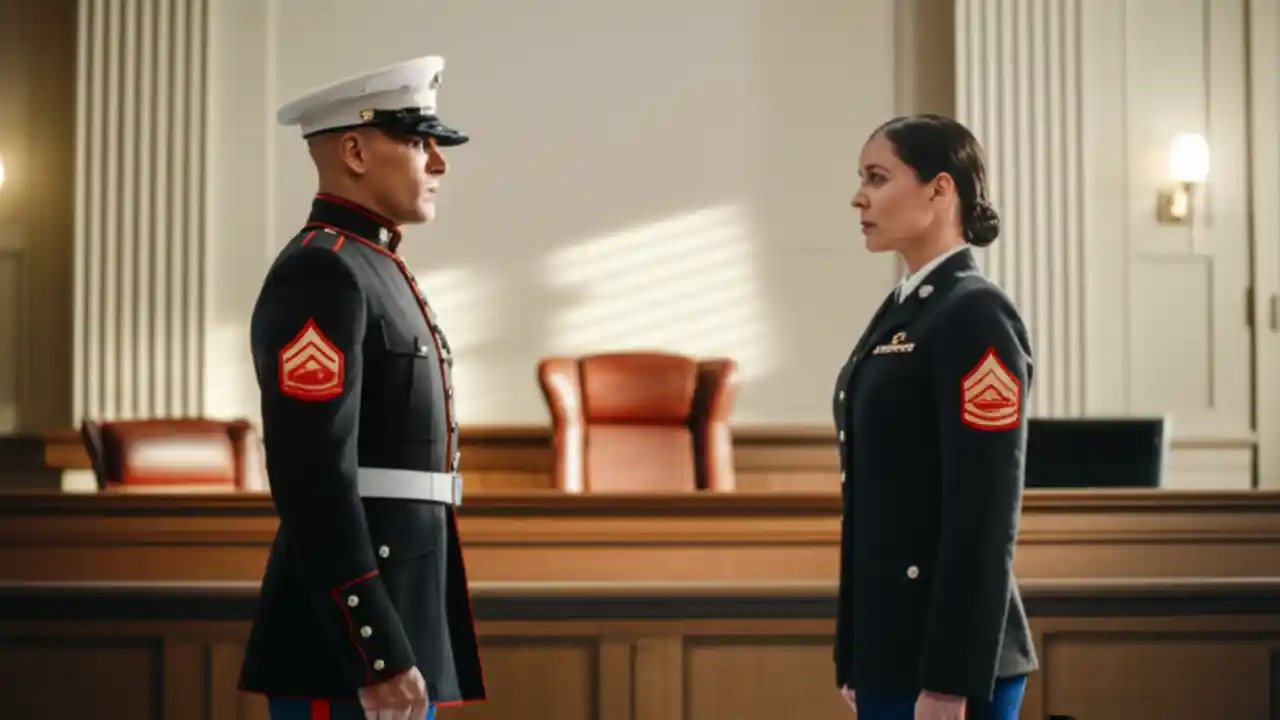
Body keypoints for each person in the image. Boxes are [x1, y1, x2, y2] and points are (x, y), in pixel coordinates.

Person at [237, 55, 486, 720]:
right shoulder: (323, 274)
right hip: (344, 650)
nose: (439, 162)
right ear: (353, 150)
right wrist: (373, 652)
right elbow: (312, 477)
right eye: (416, 140)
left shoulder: (373, 267)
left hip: (401, 618)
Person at [831, 113, 1038, 720]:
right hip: (893, 652)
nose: (858, 196)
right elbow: (873, 504)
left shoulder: (974, 313)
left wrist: (950, 680)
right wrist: (857, 653)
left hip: (949, 664)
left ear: (939, 189)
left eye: (877, 176)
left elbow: (985, 511)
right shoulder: (906, 308)